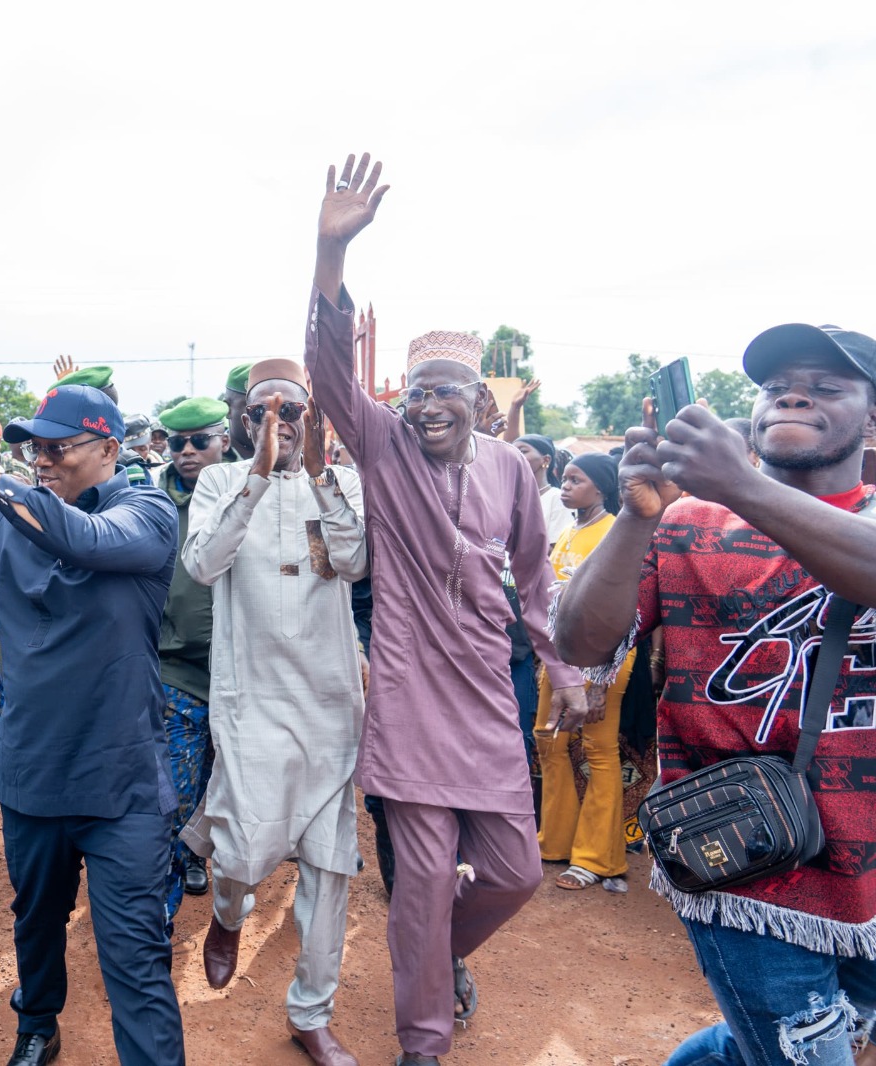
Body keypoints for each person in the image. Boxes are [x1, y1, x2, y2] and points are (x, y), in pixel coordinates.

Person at [303, 154, 587, 1066]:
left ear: (482, 408)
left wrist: (562, 667)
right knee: (423, 883)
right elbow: (327, 370)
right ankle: (421, 1041)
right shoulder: (385, 450)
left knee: (512, 875)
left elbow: (539, 585)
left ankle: (429, 960)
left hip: (487, 706)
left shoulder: (512, 471)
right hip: (412, 703)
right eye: (417, 392)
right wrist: (328, 256)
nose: (427, 407)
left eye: (445, 394)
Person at [556, 322, 876, 1066]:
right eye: (774, 387)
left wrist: (742, 484)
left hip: (868, 862)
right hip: (746, 858)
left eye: (827, 386)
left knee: (817, 1034)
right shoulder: (685, 524)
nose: (793, 394)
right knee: (808, 1055)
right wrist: (638, 515)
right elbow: (580, 643)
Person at [0, 372, 184, 1066]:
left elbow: (85, 539)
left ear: (109, 448)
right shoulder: (12, 515)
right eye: (33, 448)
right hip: (31, 772)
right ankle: (38, 1025)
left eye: (59, 447)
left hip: (122, 786)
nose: (43, 459)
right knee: (37, 922)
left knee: (135, 953)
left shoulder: (147, 512)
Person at [180, 360, 369, 1066]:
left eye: (291, 410)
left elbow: (354, 562)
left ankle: (311, 1012)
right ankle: (229, 914)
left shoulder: (342, 482)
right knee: (241, 850)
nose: (278, 422)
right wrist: (257, 475)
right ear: (242, 417)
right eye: (264, 409)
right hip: (249, 699)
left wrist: (318, 472)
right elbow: (203, 564)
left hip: (328, 702)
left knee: (329, 863)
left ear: (311, 418)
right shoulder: (221, 481)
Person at [532, 452, 634, 893]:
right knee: (549, 742)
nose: (566, 486)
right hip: (559, 658)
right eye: (565, 479)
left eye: (576, 480)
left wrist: (599, 679)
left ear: (602, 487)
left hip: (602, 662)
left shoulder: (615, 533)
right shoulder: (571, 530)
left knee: (598, 752)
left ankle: (596, 858)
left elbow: (626, 611)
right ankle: (553, 842)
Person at [152, 397, 229, 919]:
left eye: (200, 440)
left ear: (224, 439)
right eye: (177, 442)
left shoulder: (251, 495)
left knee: (223, 782)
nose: (187, 452)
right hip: (175, 669)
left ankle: (201, 854)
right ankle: (162, 909)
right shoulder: (151, 501)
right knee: (175, 788)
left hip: (246, 672)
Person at [515, 432, 572, 549]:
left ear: (546, 460)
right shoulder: (510, 497)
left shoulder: (558, 498)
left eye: (523, 451)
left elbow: (556, 548)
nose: (515, 456)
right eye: (513, 452)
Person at [222, 364, 255, 460]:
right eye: (251, 405)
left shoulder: (293, 461)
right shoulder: (210, 462)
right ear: (228, 409)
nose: (264, 413)